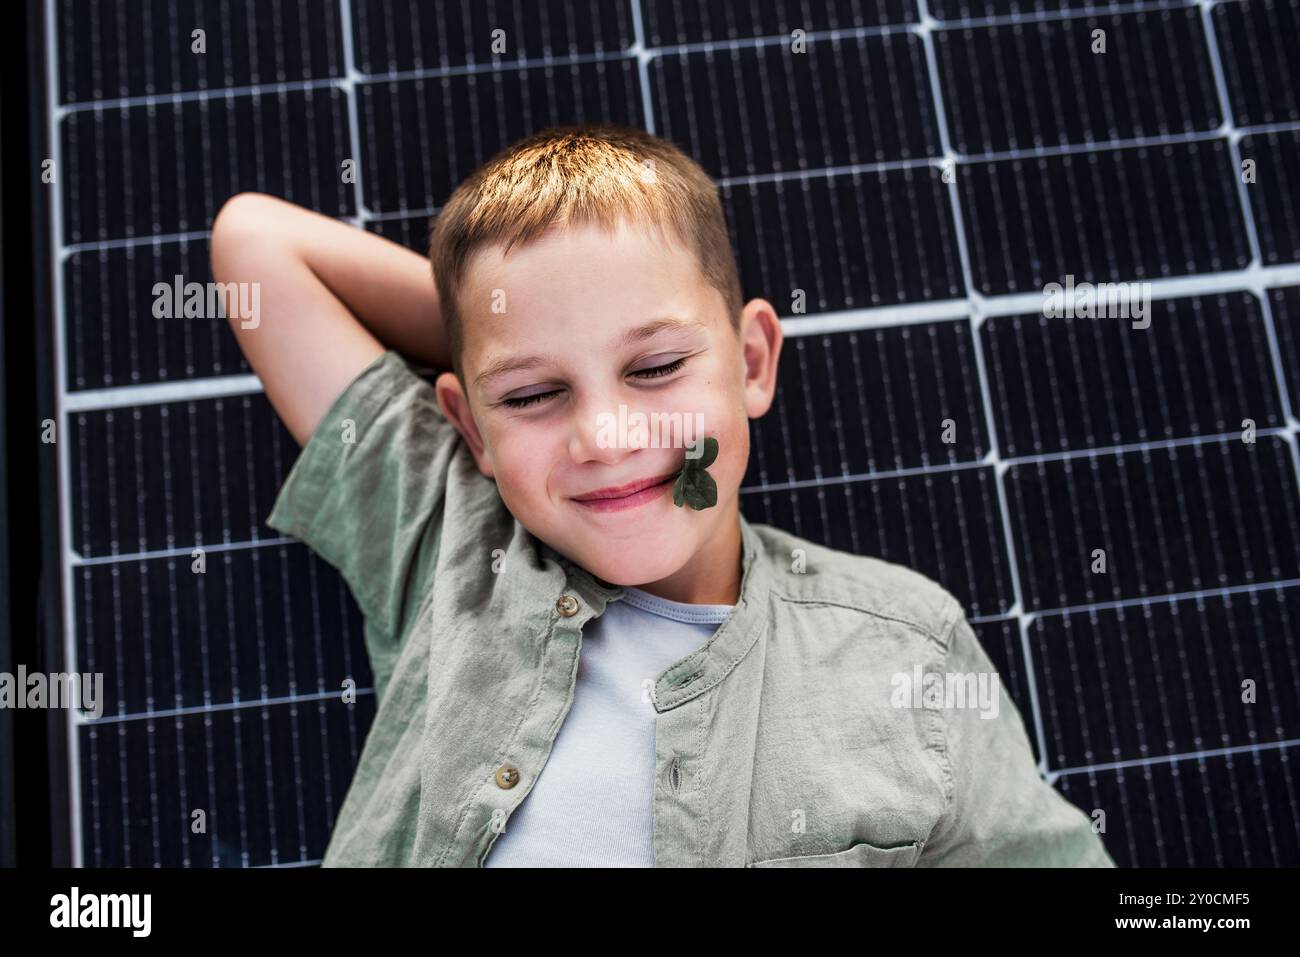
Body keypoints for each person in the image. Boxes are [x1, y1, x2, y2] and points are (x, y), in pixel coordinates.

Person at [210, 123, 1114, 868]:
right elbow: (256, 247)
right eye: (530, 395)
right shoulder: (445, 536)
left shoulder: (903, 643)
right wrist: (491, 314)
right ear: (473, 429)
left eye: (656, 365)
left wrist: (537, 335)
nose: (605, 437)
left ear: (751, 359)